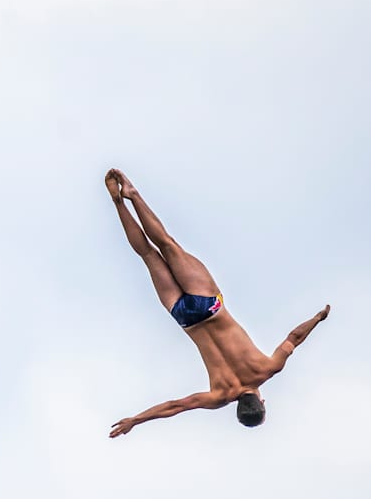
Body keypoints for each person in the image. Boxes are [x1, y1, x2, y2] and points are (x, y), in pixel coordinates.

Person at [104, 169, 329, 438]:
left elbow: (295, 337)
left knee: (167, 244)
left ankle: (132, 195)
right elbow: (175, 406)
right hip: (185, 317)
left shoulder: (268, 369)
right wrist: (136, 420)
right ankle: (118, 203)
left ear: (262, 403)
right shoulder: (218, 396)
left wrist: (318, 318)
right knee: (148, 255)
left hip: (210, 306)